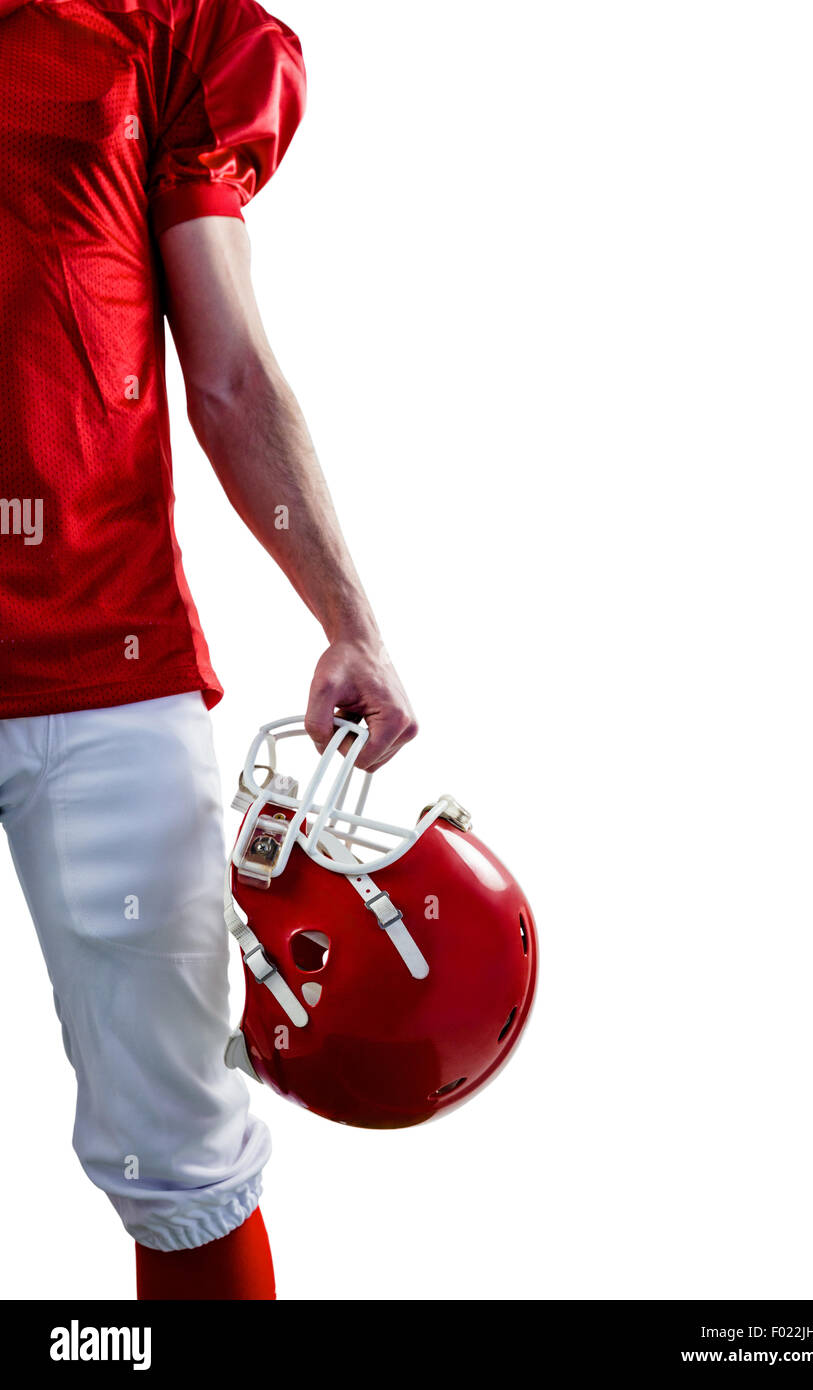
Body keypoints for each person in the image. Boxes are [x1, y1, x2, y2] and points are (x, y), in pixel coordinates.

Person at [0, 0, 417, 1300]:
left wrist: (346, 615)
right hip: (97, 666)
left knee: (182, 1154)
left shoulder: (158, 26)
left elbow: (227, 369)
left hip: (99, 658)